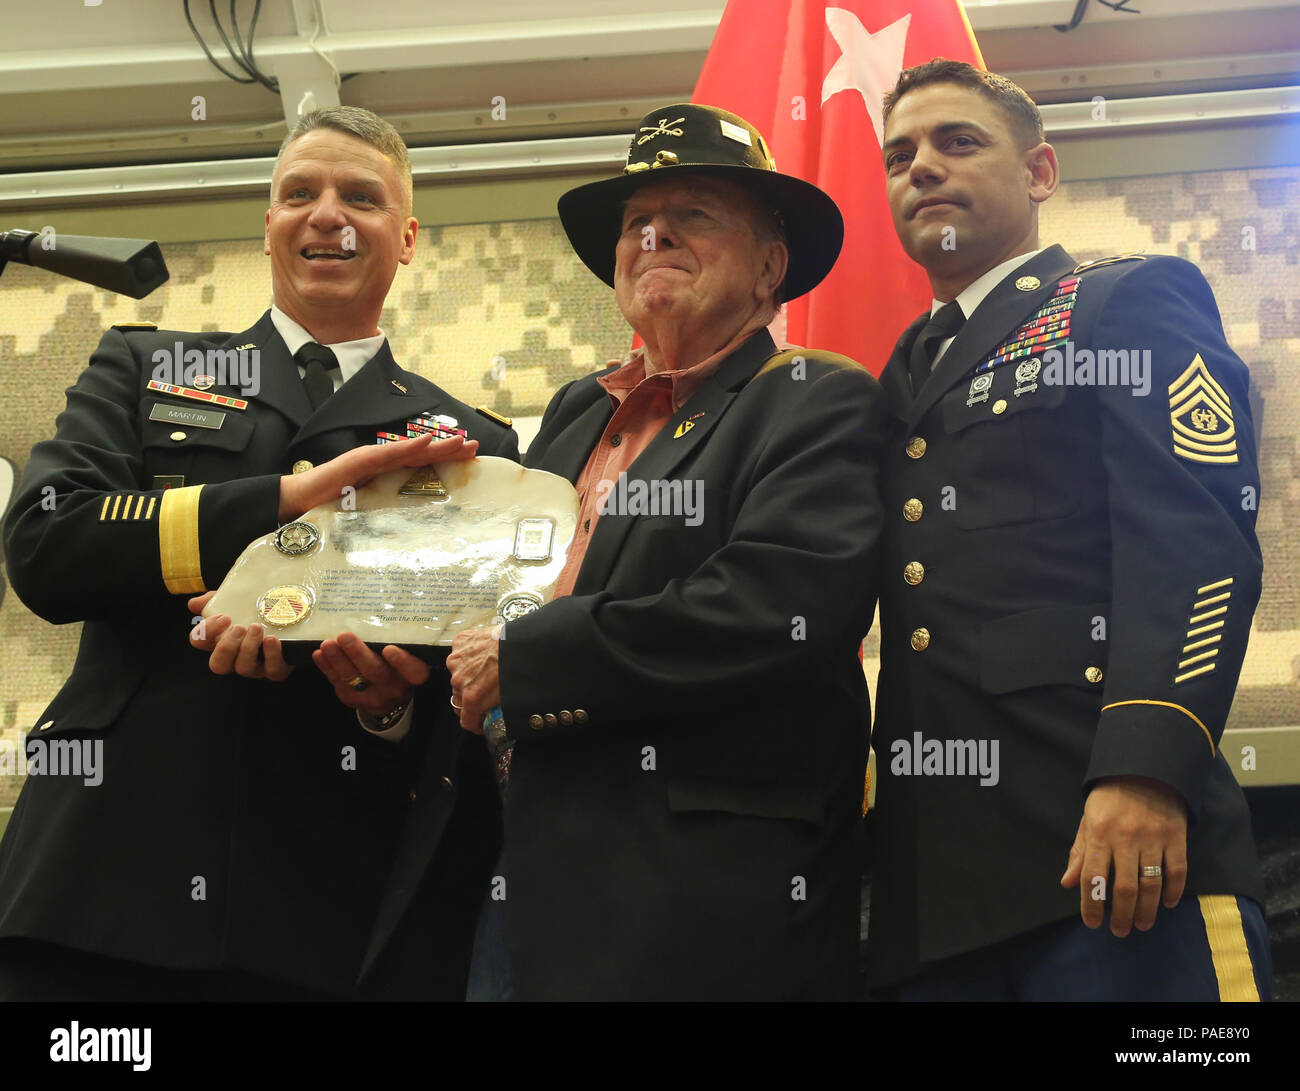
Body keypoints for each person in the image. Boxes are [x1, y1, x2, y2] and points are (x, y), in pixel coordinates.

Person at [0, 105, 517, 1000]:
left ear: (406, 237)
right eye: (298, 194)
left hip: (324, 906)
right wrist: (281, 502)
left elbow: (470, 692)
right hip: (102, 879)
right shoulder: (149, 368)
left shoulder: (470, 444)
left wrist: (386, 712)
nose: (326, 213)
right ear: (268, 224)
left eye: (361, 196)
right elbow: (48, 543)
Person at [445, 102, 885, 1001]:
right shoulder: (573, 413)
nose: (653, 233)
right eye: (636, 221)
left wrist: (527, 659)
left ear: (772, 266)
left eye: (693, 214)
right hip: (517, 874)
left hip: (706, 899)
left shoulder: (814, 396)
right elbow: (494, 598)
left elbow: (771, 610)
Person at [867, 59, 1270, 1001]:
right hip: (939, 900)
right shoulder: (896, 375)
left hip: (1120, 857)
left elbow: (1198, 543)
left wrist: (1149, 769)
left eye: (956, 142)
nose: (920, 166)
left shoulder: (1122, 304)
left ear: (1040, 173)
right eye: (898, 155)